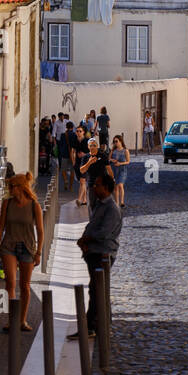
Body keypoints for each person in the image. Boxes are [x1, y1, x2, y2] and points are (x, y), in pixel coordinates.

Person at [69, 163, 122, 340]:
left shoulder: (112, 209)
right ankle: (94, 325)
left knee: (98, 290)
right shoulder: (100, 204)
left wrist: (87, 239)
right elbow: (92, 226)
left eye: (97, 184)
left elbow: (103, 233)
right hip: (94, 252)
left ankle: (97, 326)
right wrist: (84, 240)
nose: (94, 186)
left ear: (106, 188)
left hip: (103, 253)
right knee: (95, 289)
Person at [0, 171, 44, 333]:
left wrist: (38, 252)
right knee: (10, 283)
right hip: (8, 246)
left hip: (27, 247)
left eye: (13, 186)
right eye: (9, 186)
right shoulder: (7, 204)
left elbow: (40, 230)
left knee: (24, 286)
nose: (10, 189)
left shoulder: (34, 205)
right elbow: (1, 227)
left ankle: (22, 320)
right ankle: (12, 320)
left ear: (22, 187)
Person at [109, 134, 130, 209]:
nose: (115, 143)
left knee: (120, 185)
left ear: (121, 141)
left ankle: (122, 202)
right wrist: (112, 160)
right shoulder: (113, 150)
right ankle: (117, 202)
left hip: (122, 170)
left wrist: (120, 163)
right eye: (114, 142)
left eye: (116, 141)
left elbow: (128, 162)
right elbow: (109, 159)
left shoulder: (125, 151)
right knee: (116, 187)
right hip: (114, 170)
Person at [57, 120, 72, 192]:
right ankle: (71, 187)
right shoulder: (74, 135)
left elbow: (60, 145)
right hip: (72, 155)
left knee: (63, 169)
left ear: (66, 127)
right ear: (72, 127)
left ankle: (66, 180)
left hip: (64, 154)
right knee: (72, 171)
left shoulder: (63, 135)